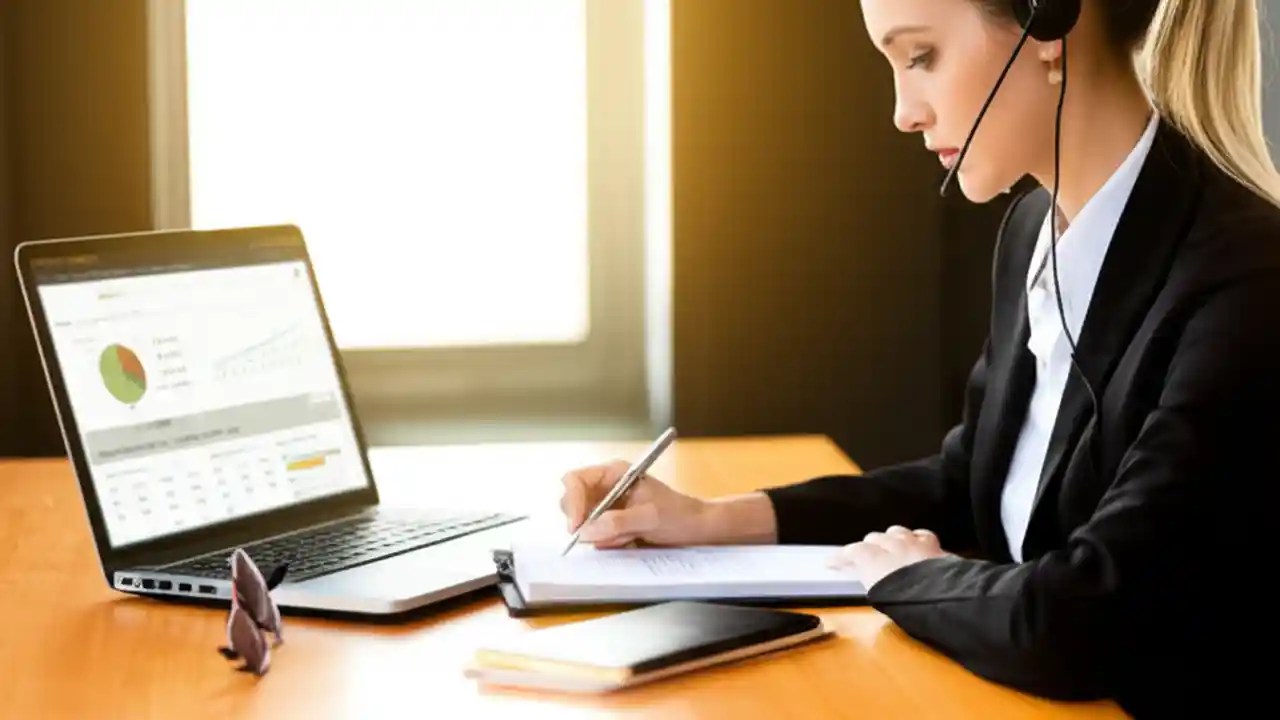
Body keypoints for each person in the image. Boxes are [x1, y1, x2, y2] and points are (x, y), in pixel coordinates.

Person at [559, 0, 1280, 715]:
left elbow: (1083, 616)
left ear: (1049, 24)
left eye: (921, 56)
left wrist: (910, 577)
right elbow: (973, 485)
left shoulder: (1248, 279)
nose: (904, 111)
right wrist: (714, 522)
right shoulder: (1035, 230)